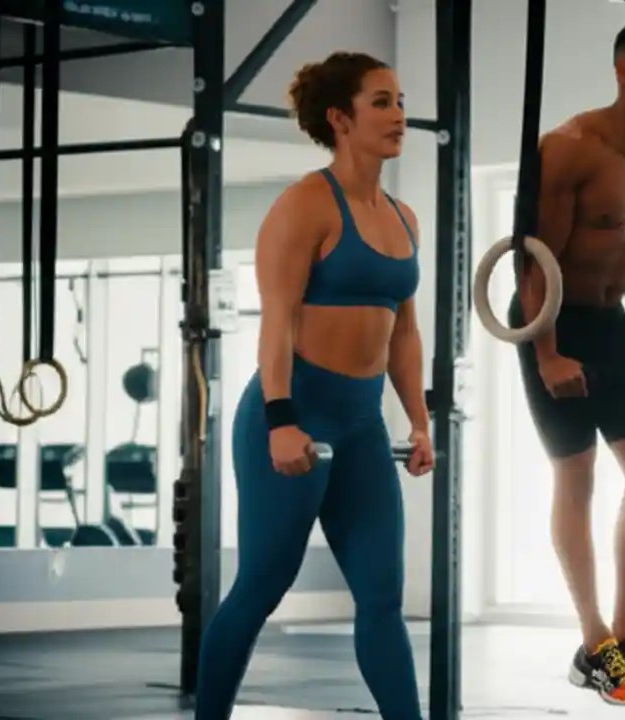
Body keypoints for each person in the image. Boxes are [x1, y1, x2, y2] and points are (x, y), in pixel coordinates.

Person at [194, 52, 434, 720]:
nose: (399, 115)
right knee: (263, 584)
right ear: (340, 118)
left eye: (401, 100)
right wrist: (280, 418)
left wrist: (418, 420)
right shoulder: (303, 205)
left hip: (360, 426)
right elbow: (275, 324)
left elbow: (404, 335)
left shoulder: (403, 216)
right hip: (294, 411)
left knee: (382, 595)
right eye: (381, 102)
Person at [508, 22, 625, 707]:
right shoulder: (570, 149)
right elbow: (534, 259)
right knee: (577, 471)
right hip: (551, 317)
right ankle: (592, 644)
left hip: (614, 324)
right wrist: (548, 351)